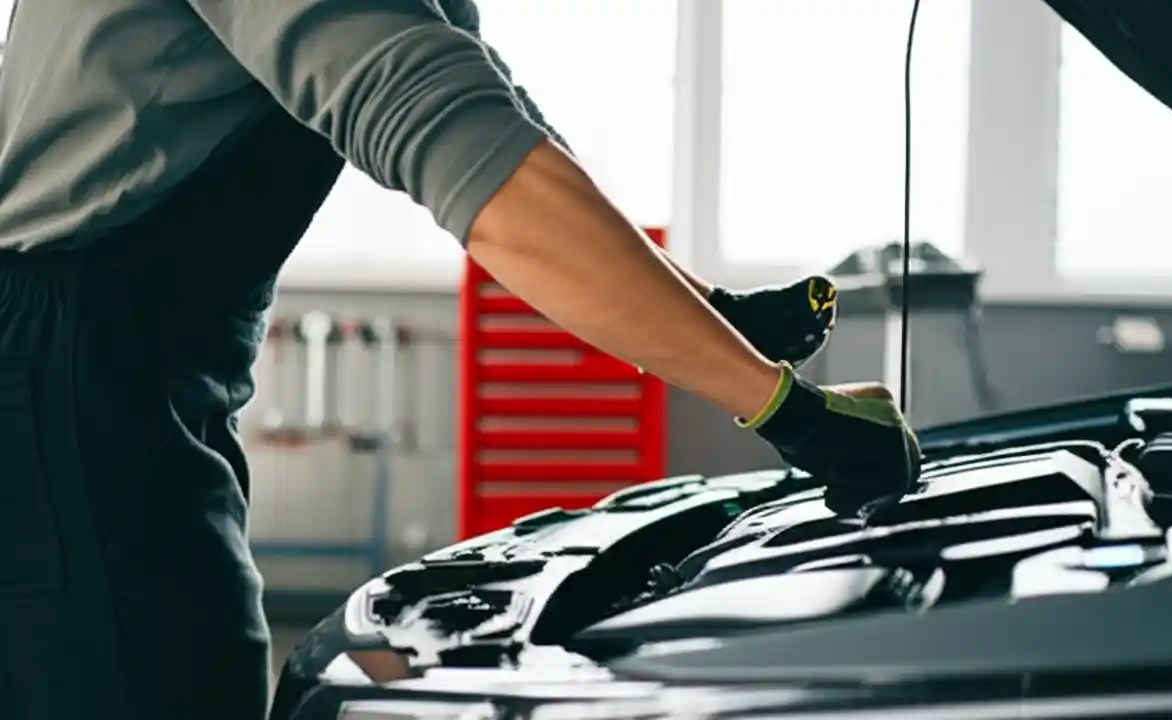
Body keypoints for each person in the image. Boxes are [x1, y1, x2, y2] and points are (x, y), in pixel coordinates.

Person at [0, 0, 919, 718]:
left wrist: (712, 311)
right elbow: (459, 144)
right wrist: (784, 408)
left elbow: (500, 112)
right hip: (60, 380)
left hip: (127, 369)